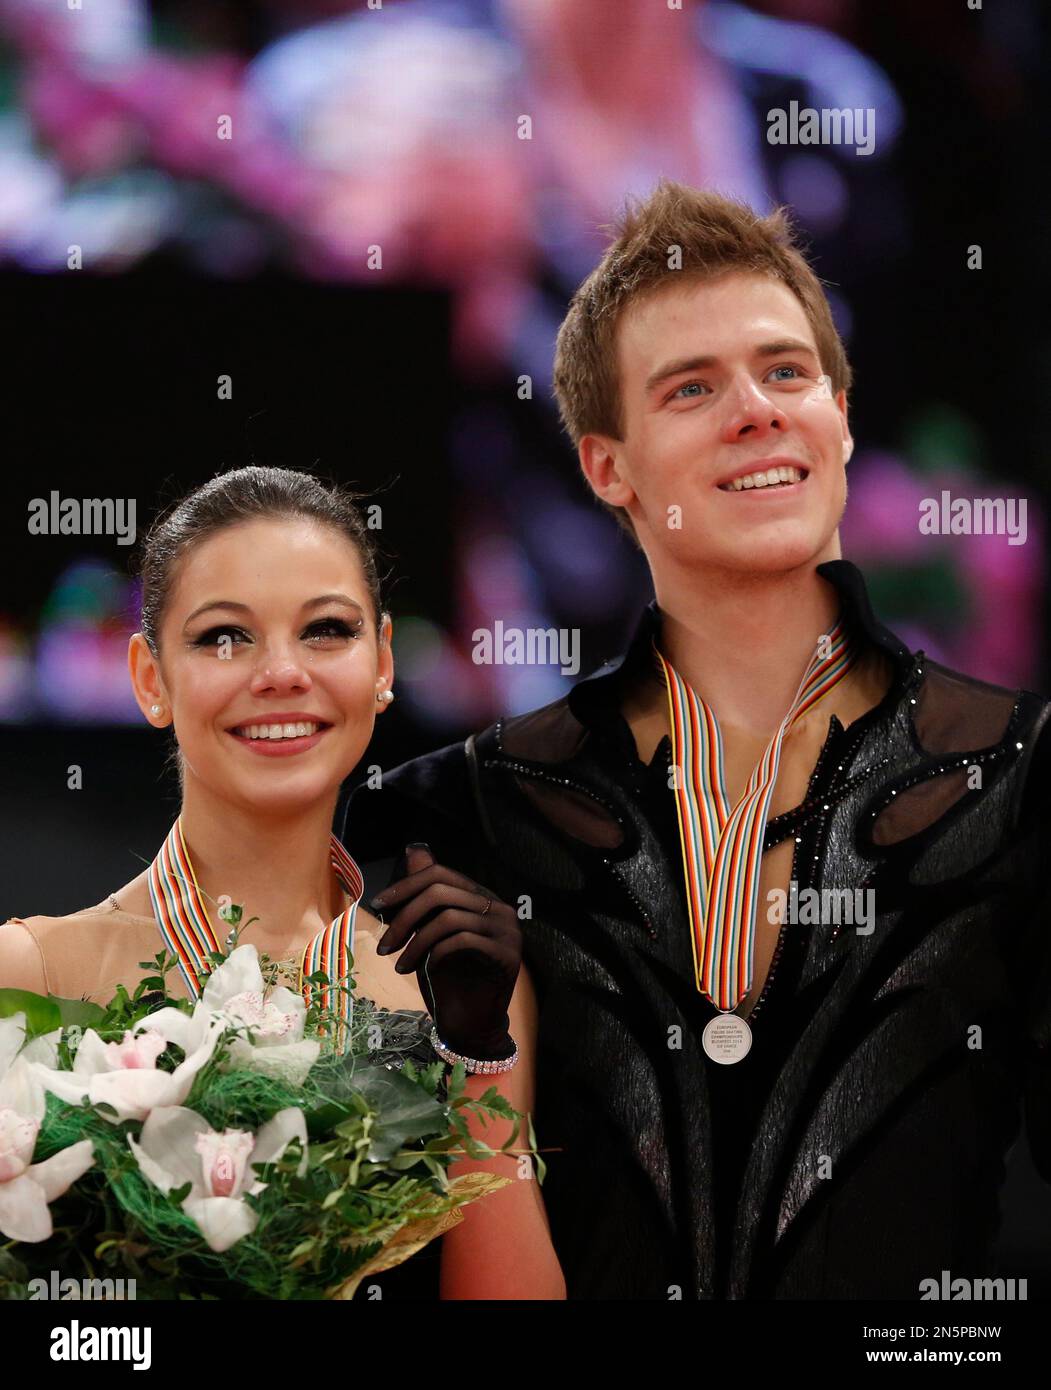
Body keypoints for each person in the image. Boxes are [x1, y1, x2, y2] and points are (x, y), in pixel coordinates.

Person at [343, 180, 1051, 1299]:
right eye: (691, 388)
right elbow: (377, 1234)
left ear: (842, 414)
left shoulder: (1021, 776)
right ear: (606, 467)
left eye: (786, 372)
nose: (757, 410)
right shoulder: (456, 812)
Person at [0, 465, 565, 1301]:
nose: (281, 673)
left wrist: (478, 1065)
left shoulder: (456, 994)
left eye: (327, 631)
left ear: (381, 663)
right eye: (224, 636)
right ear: (151, 678)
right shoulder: (34, 972)